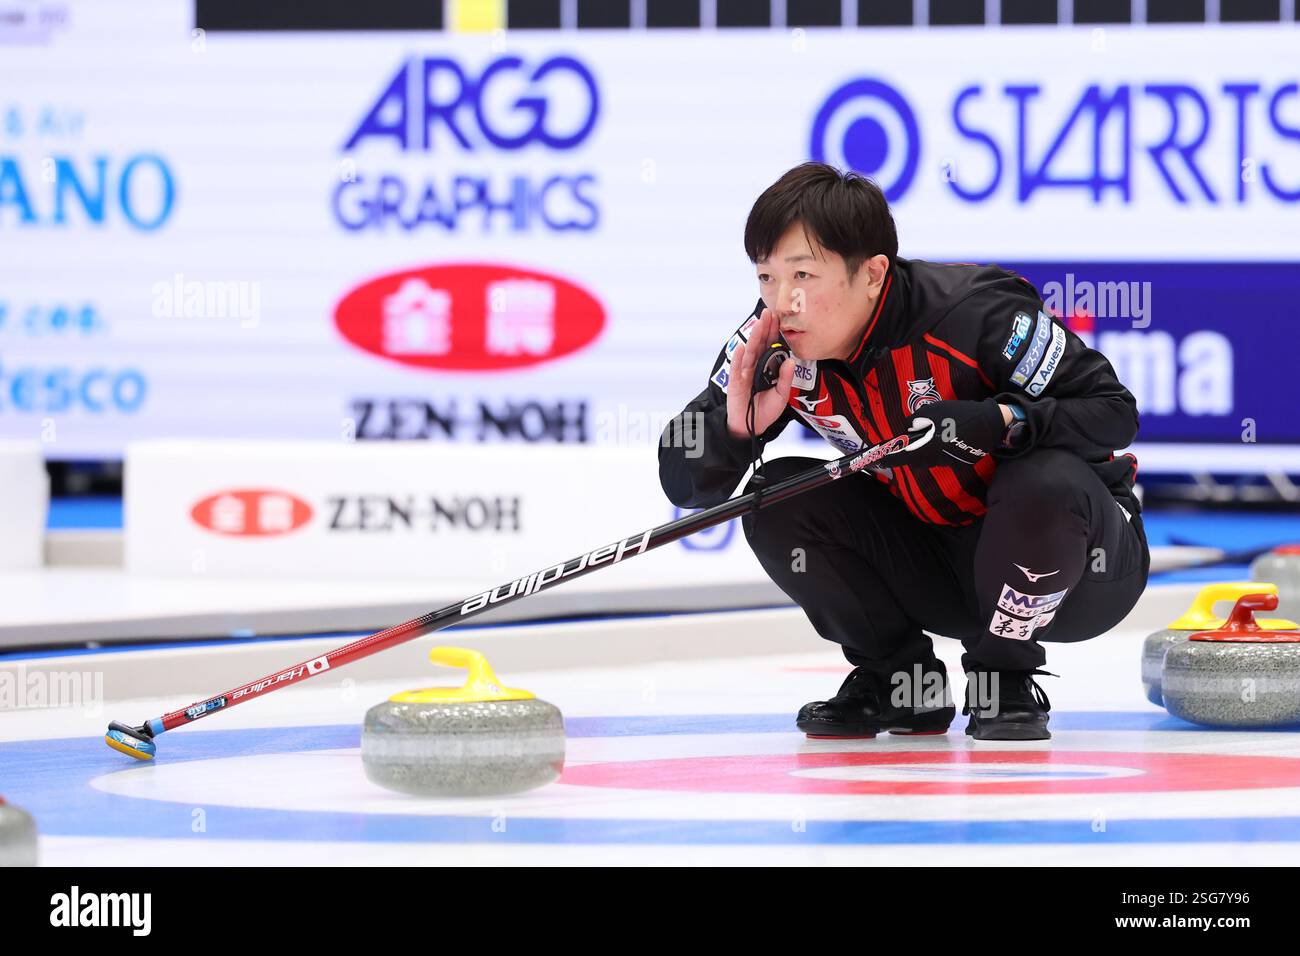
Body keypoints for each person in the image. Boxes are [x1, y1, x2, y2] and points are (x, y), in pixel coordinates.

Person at [658, 162, 1149, 741]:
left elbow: (1114, 410)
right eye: (765, 277)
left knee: (1043, 481)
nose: (782, 300)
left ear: (872, 273)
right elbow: (684, 482)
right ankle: (901, 684)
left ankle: (1004, 675)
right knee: (778, 496)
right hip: (938, 566)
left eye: (803, 276)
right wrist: (739, 430)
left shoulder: (976, 313)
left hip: (1080, 574)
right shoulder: (774, 344)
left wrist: (1003, 421)